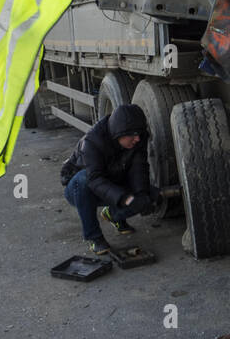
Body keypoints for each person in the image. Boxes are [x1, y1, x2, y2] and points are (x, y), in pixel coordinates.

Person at [60, 103, 159, 254]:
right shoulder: (92, 142)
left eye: (139, 134)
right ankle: (95, 238)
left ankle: (113, 215)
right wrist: (126, 199)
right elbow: (95, 180)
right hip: (80, 189)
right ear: (119, 133)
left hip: (111, 181)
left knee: (149, 195)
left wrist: (141, 195)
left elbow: (139, 168)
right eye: (132, 135)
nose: (137, 139)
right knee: (83, 179)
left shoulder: (137, 138)